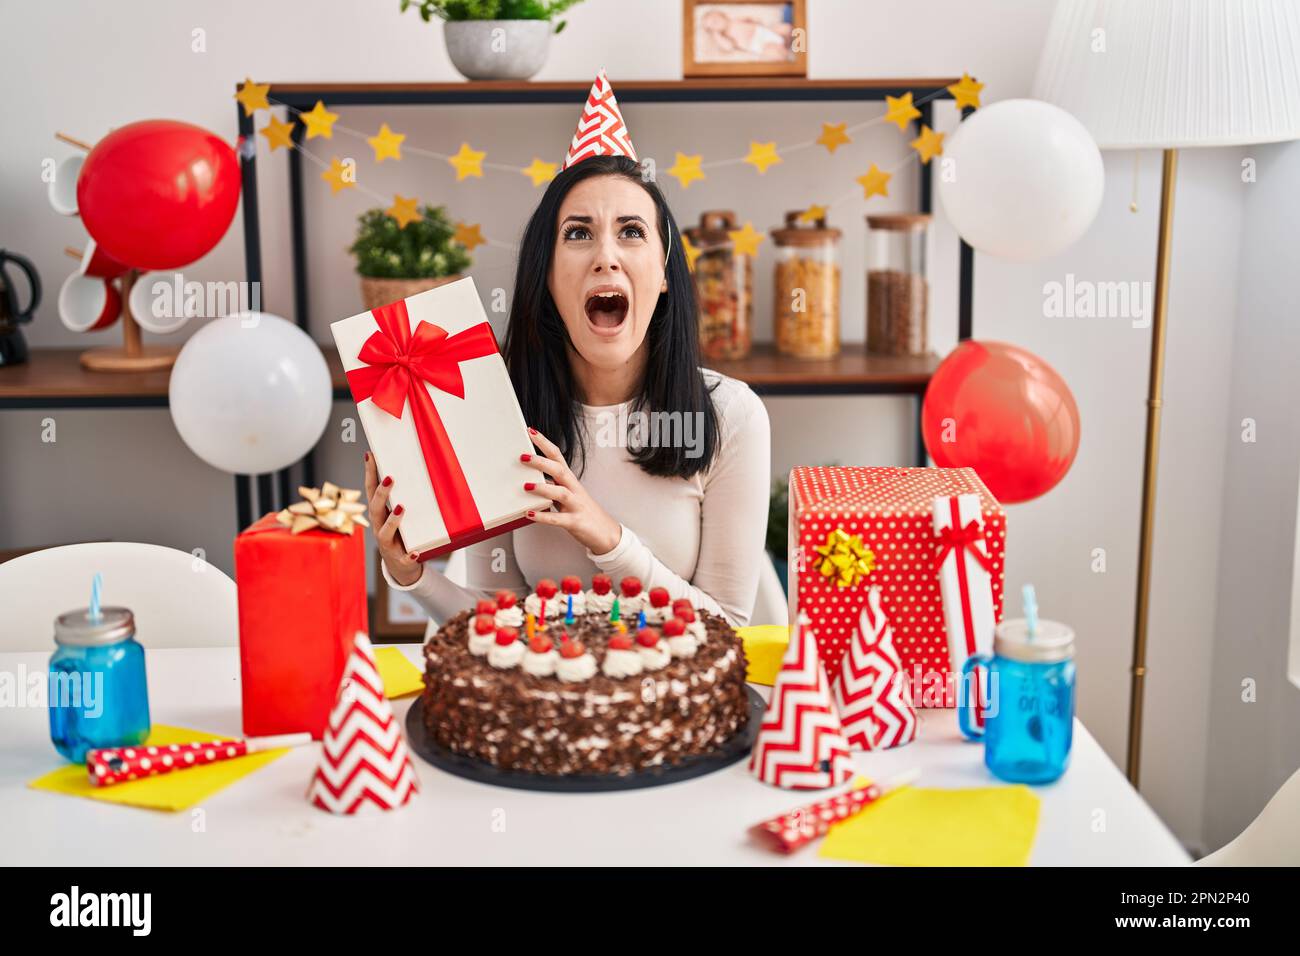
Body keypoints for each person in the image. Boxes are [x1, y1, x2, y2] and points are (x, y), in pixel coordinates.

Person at [365, 80, 771, 628]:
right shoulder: (500, 411)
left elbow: (731, 630)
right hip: (545, 704)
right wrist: (410, 574)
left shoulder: (731, 416)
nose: (606, 256)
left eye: (631, 232)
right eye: (578, 233)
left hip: (676, 705)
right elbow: (497, 623)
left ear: (664, 275)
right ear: (549, 277)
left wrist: (607, 538)